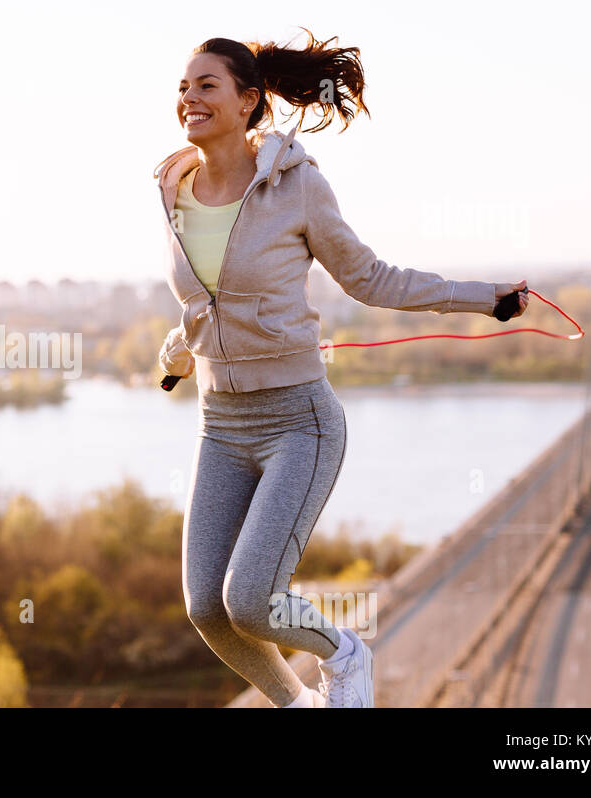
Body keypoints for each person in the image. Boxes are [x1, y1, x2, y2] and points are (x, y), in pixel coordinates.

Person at [155, 30, 528, 708]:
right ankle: (299, 704)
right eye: (183, 87)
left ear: (248, 102)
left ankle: (346, 654)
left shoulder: (296, 186)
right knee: (206, 609)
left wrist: (486, 299)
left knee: (250, 598)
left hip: (299, 422)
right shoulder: (171, 190)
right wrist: (177, 353)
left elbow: (371, 278)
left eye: (205, 85)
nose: (188, 98)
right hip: (220, 428)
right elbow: (202, 302)